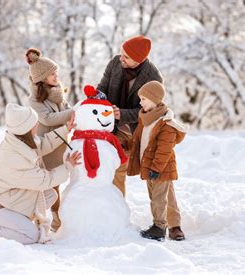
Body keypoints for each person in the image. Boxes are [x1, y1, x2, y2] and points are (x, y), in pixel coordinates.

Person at [0, 103, 81, 247]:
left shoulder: (20, 141)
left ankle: (21, 222)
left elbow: (42, 146)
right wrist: (67, 166)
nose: (37, 124)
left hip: (12, 197)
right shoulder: (14, 160)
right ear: (25, 128)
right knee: (31, 236)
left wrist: (65, 129)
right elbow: (44, 180)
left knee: (50, 195)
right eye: (34, 123)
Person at [96, 35, 163, 197]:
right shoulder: (115, 63)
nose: (121, 59)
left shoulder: (153, 78)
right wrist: (96, 98)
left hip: (137, 131)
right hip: (114, 127)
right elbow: (102, 88)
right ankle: (115, 208)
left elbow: (149, 111)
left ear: (139, 60)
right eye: (121, 53)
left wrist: (122, 114)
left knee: (156, 176)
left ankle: (164, 217)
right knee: (115, 166)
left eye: (127, 57)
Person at [127, 81, 187, 241]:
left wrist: (156, 168)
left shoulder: (166, 124)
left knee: (158, 198)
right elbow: (139, 140)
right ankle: (174, 226)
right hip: (150, 167)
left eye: (144, 99)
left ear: (154, 100)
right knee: (166, 196)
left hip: (159, 168)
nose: (140, 102)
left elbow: (164, 150)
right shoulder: (146, 119)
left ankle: (159, 227)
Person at [25, 48, 74, 232]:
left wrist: (73, 113)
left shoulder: (58, 93)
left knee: (60, 181)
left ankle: (59, 217)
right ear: (42, 77)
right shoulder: (35, 99)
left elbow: (66, 109)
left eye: (56, 73)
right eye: (52, 74)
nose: (56, 76)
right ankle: (54, 219)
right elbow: (48, 119)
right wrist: (72, 113)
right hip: (48, 145)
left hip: (62, 141)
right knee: (52, 183)